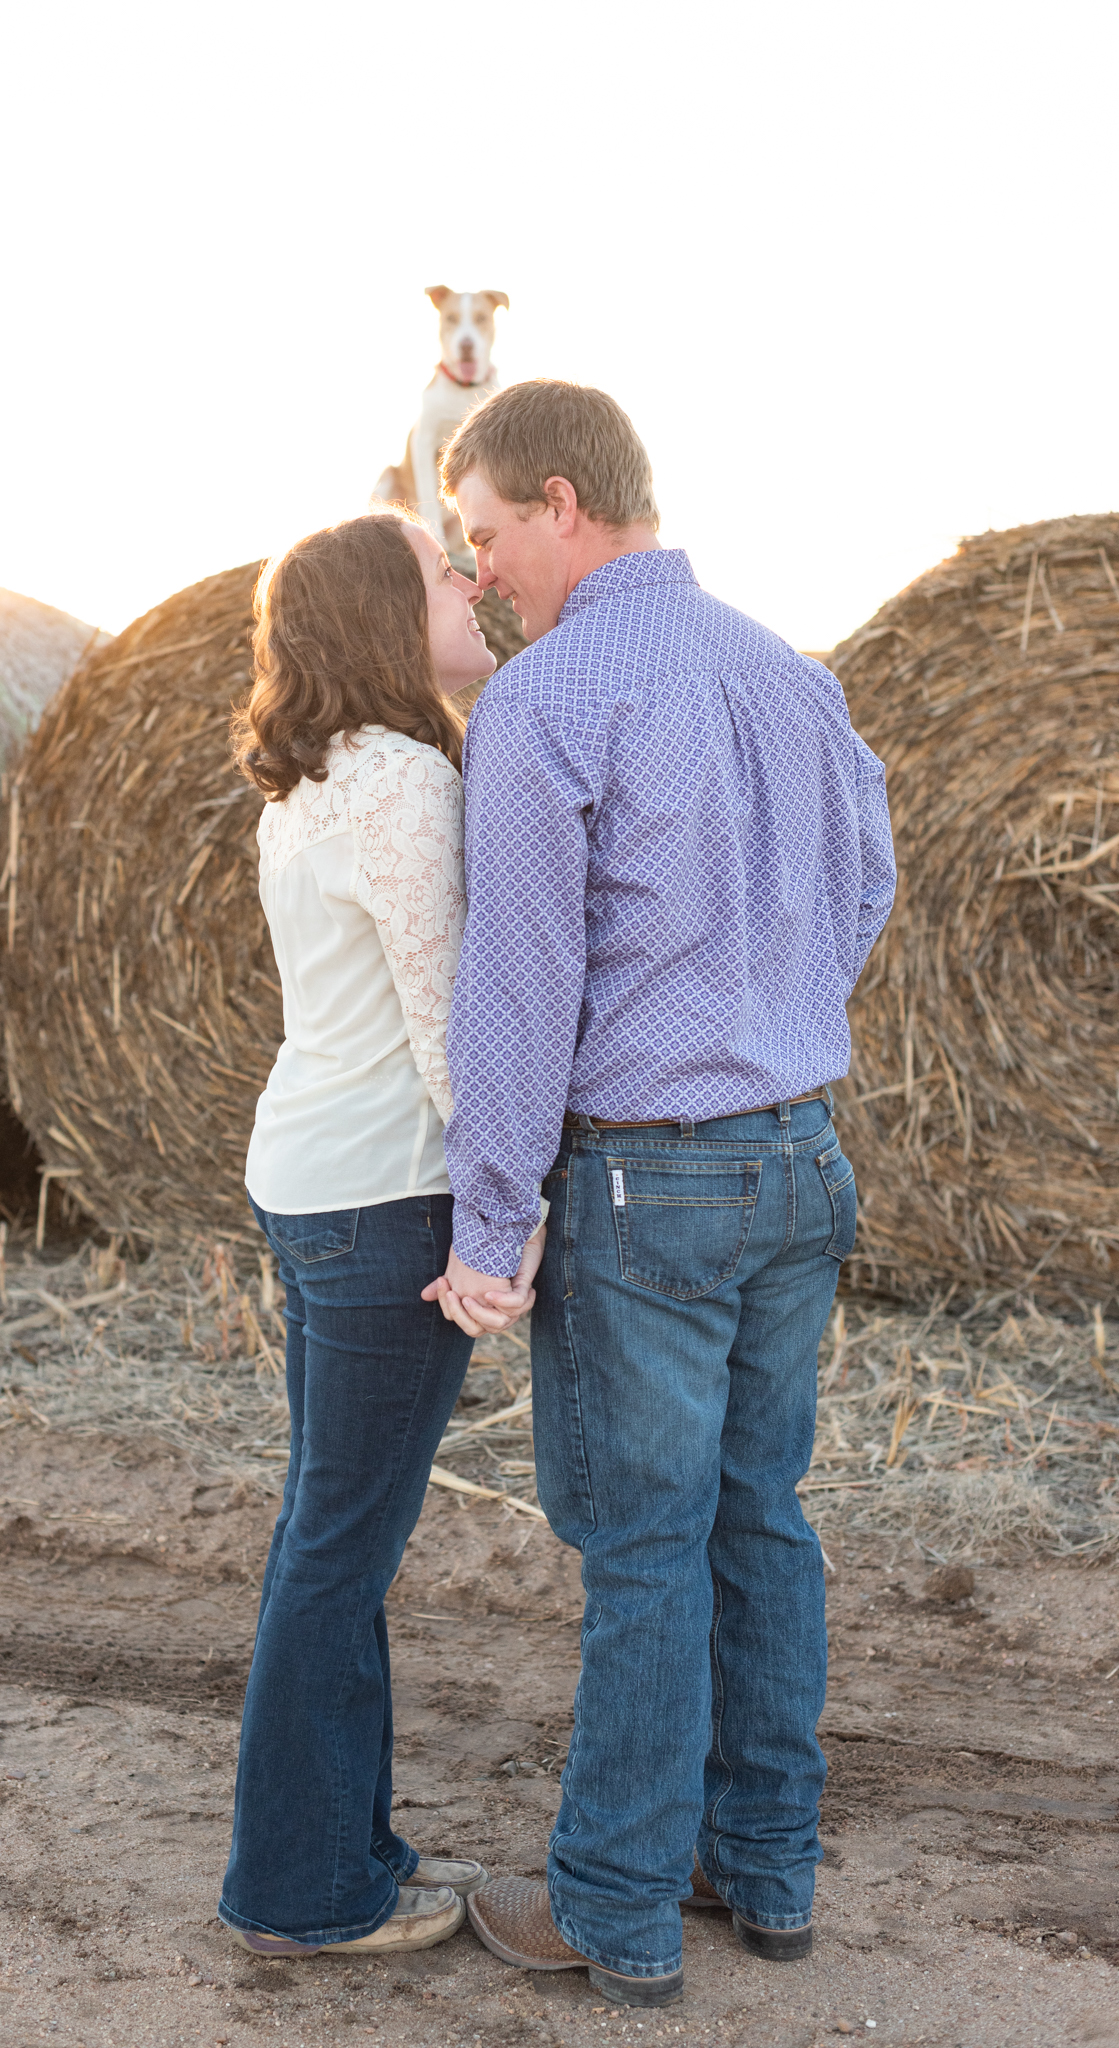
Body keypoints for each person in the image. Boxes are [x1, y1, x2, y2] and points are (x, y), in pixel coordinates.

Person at [423, 380, 897, 2010]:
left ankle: (613, 1909)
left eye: (484, 535)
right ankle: (762, 1873)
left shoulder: (552, 701)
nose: (478, 570)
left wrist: (492, 1225)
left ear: (562, 502)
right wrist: (767, 1013)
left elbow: (520, 985)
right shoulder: (793, 674)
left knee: (644, 1552)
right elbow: (870, 883)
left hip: (645, 1184)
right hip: (799, 1155)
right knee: (760, 1520)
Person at [217, 511, 544, 1959]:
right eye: (436, 570)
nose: (470, 579)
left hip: (310, 1180)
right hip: (377, 1198)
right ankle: (301, 1890)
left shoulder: (316, 782)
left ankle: (349, 1853)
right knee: (339, 1552)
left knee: (325, 1538)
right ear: (375, 615)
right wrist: (508, 1215)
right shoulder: (408, 783)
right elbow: (447, 1032)